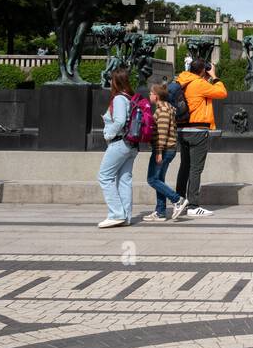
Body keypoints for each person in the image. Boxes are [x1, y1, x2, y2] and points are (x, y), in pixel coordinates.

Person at [171, 57, 228, 220]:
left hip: (182, 129)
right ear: (203, 70)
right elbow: (222, 92)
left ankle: (179, 200)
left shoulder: (181, 80)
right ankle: (193, 206)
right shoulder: (199, 84)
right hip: (197, 130)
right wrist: (215, 76)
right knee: (196, 168)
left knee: (184, 167)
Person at [97, 67, 138, 228]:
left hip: (119, 143)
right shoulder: (130, 97)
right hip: (131, 145)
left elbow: (120, 121)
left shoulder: (119, 99)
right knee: (124, 180)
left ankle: (116, 214)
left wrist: (108, 135)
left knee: (104, 177)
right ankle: (125, 216)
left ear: (116, 81)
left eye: (111, 79)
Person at [143, 80, 181, 221]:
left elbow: (163, 133)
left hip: (164, 150)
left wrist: (158, 152)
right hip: (166, 149)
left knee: (152, 179)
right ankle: (160, 212)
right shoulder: (166, 108)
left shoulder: (163, 110)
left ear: (156, 96)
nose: (149, 95)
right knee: (159, 180)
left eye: (151, 93)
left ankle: (177, 200)